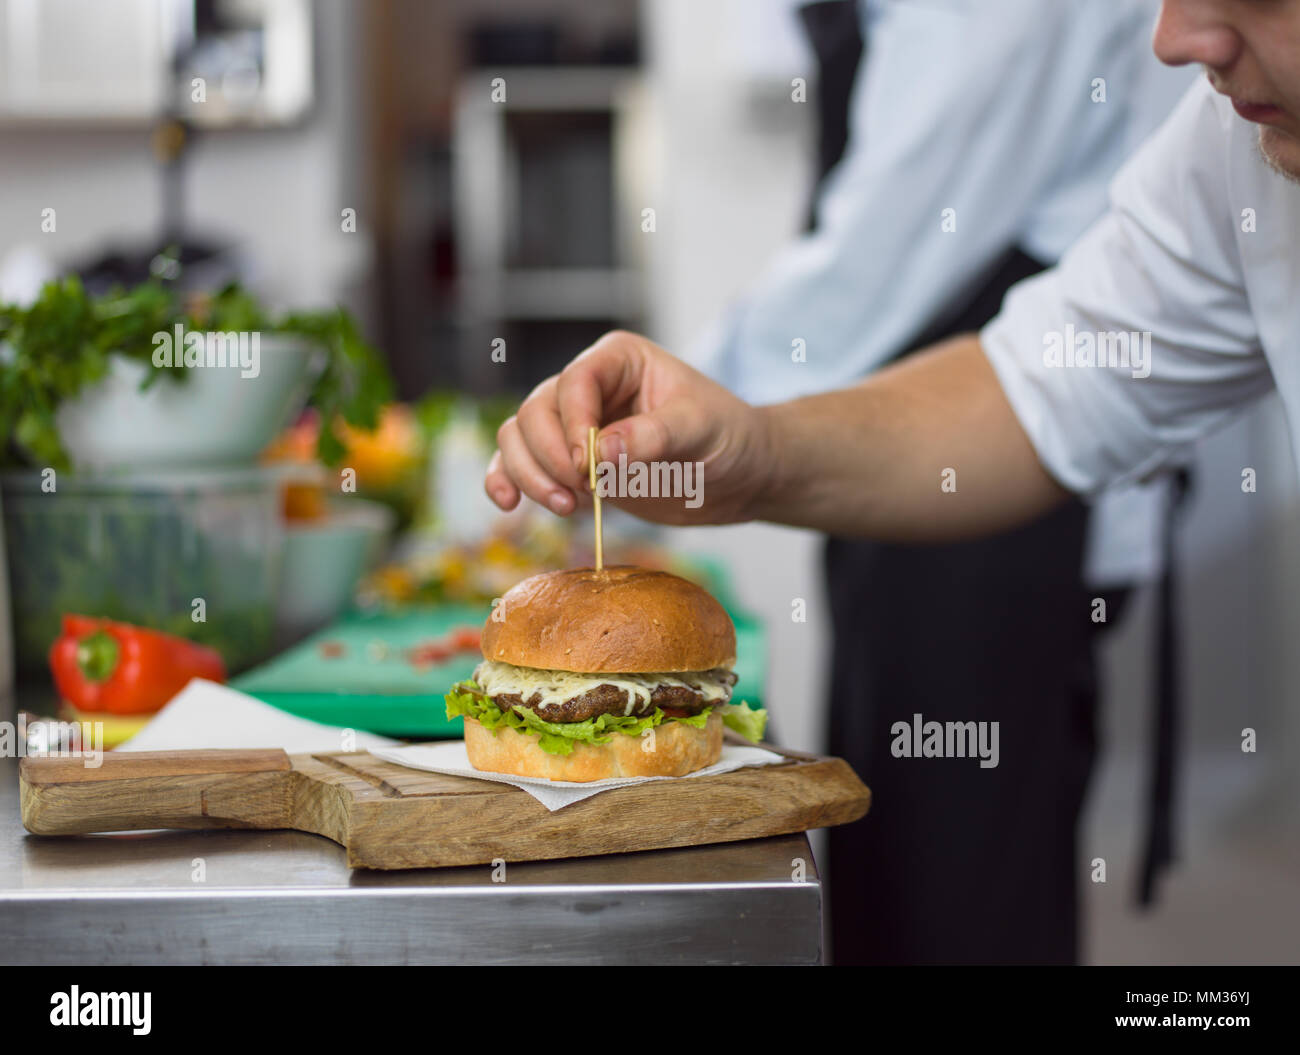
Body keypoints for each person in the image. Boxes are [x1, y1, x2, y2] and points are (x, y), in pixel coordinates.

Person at [484, 0, 1300, 962]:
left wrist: (741, 378)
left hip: (993, 565)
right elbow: (1046, 383)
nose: (1173, 41)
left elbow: (894, 244)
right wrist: (752, 450)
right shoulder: (1232, 151)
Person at [689, 0, 1194, 964]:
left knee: (958, 905)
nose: (1190, 39)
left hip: (992, 507)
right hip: (910, 479)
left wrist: (682, 410)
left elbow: (897, 237)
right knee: (896, 871)